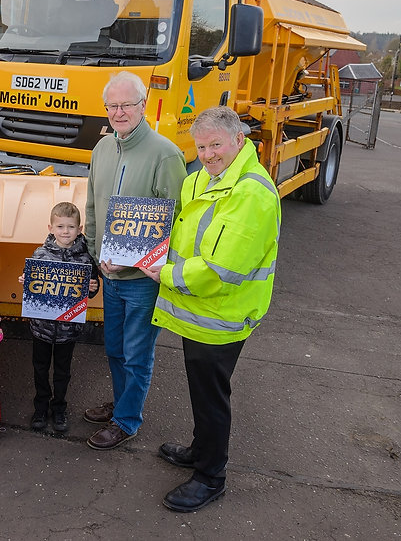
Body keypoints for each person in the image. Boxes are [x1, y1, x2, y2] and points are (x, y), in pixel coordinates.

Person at [144, 106, 280, 512]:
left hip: (222, 315)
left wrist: (164, 273)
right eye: (201, 146)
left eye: (215, 144)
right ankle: (200, 450)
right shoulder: (201, 178)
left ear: (239, 140)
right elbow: (182, 235)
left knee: (211, 397)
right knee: (201, 390)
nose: (207, 154)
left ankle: (210, 476)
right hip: (198, 311)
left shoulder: (252, 193)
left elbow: (221, 269)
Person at [83, 71, 188, 450]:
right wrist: (98, 254)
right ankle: (120, 403)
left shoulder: (165, 154)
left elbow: (176, 220)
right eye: (112, 105)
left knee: (136, 353)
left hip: (143, 280)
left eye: (126, 104)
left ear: (143, 105)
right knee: (113, 347)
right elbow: (93, 206)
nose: (119, 112)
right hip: (109, 273)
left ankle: (127, 420)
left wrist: (154, 266)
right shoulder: (102, 150)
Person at [18, 201, 99, 434]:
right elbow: (33, 287)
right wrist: (26, 281)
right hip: (41, 327)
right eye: (60, 226)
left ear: (79, 228)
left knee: (63, 371)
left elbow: (91, 289)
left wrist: (92, 287)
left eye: (71, 227)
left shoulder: (85, 258)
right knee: (40, 369)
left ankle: (59, 407)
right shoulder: (40, 253)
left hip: (68, 328)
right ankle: (41, 407)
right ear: (50, 227)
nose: (65, 231)